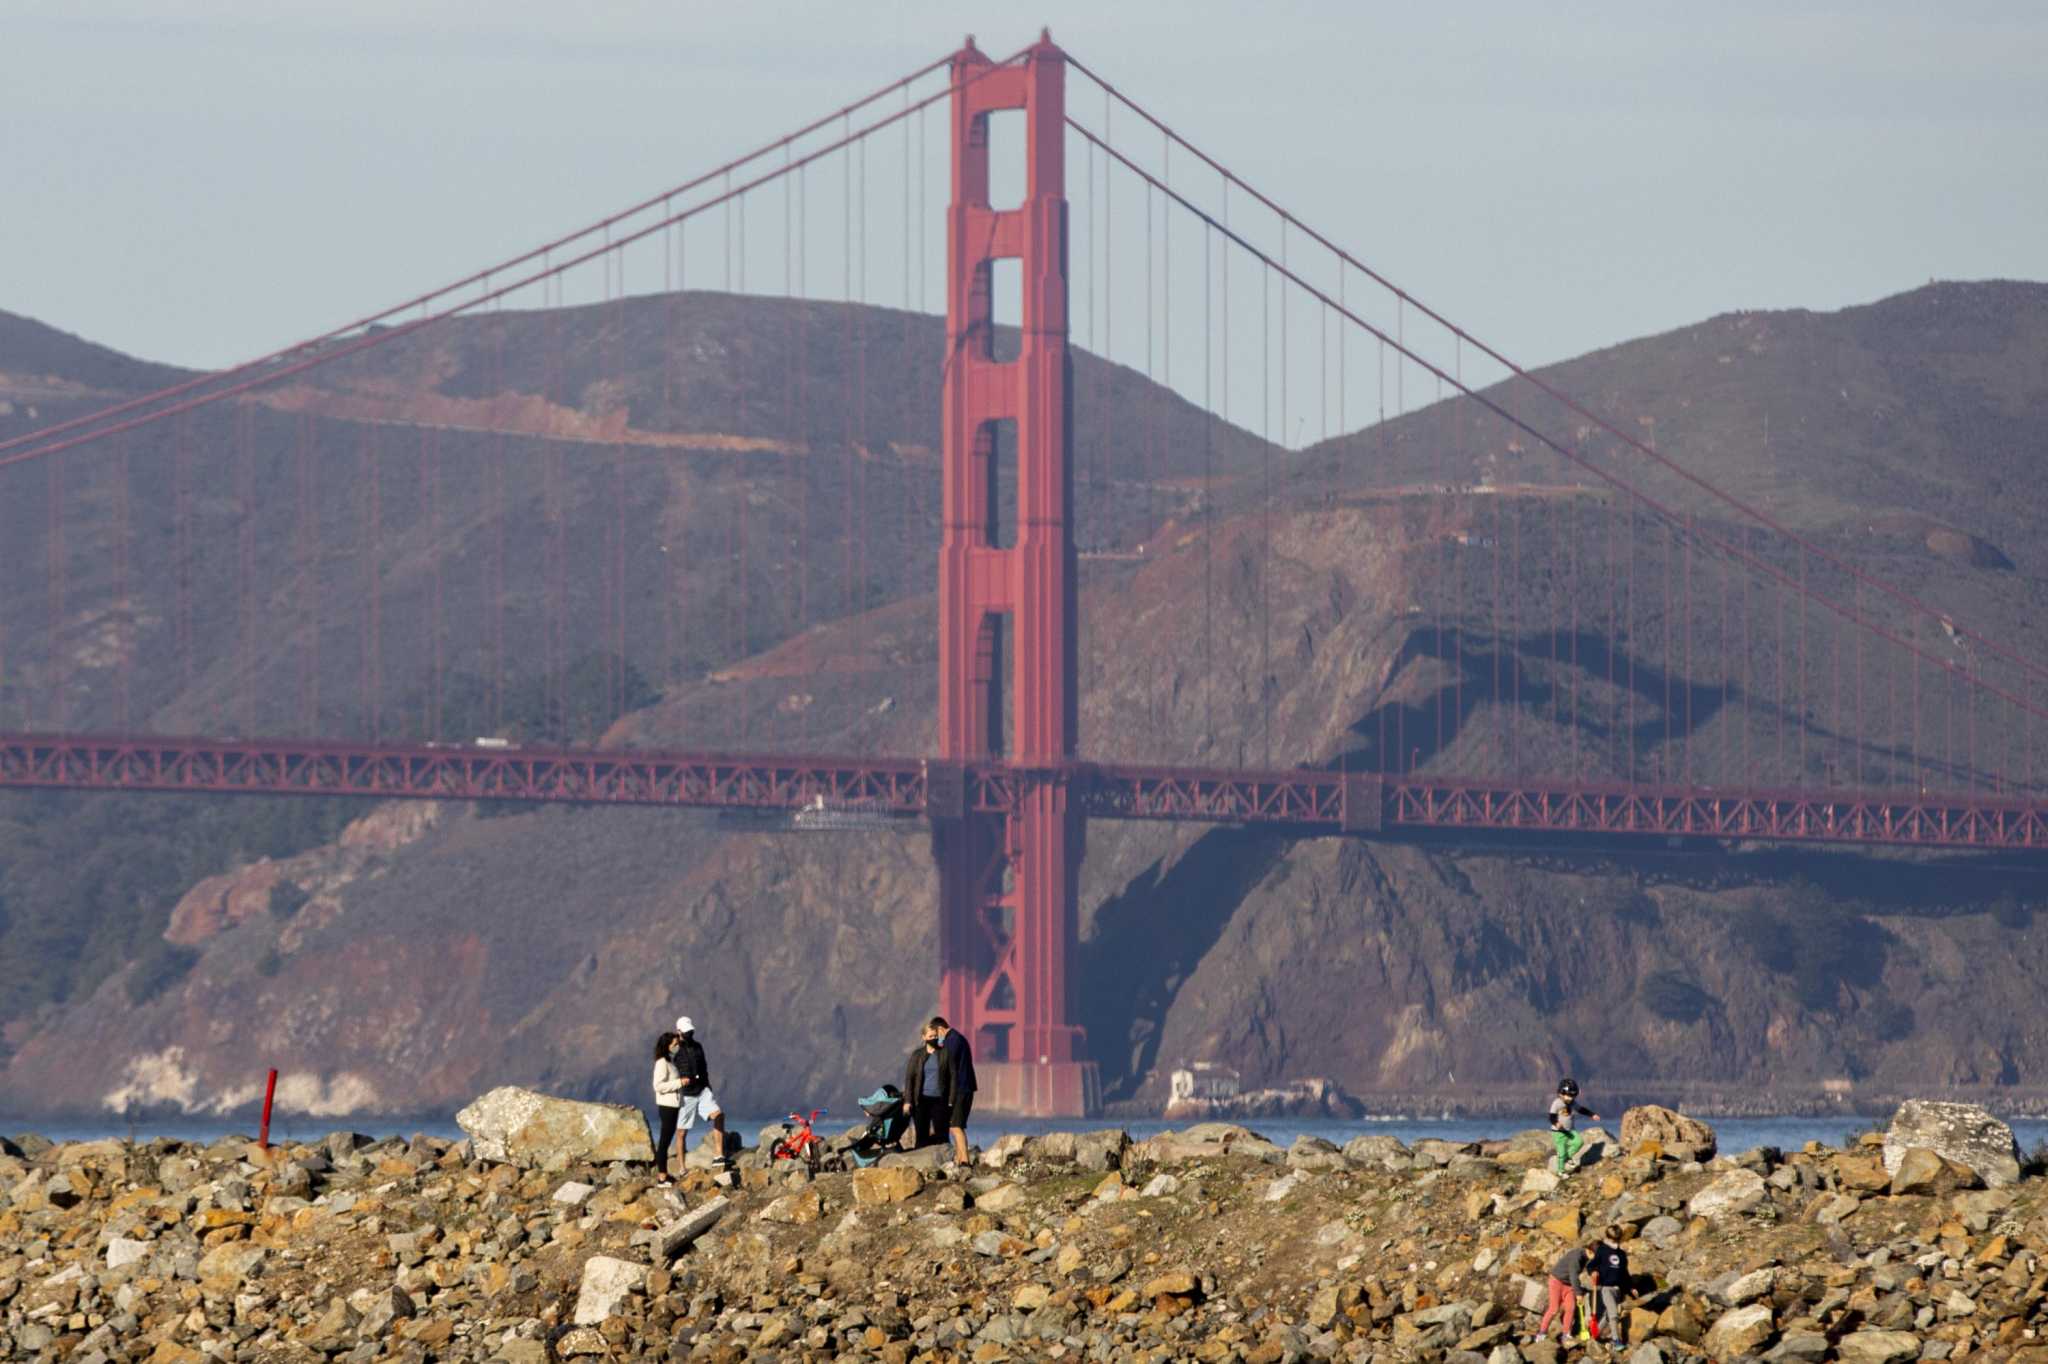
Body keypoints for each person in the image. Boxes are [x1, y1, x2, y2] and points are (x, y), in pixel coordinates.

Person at [672, 1015, 730, 1167]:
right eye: (686, 1032)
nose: (689, 1034)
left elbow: (704, 1068)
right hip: (685, 1094)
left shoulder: (698, 1047)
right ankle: (681, 1168)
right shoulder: (674, 1049)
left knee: (719, 1115)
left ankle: (719, 1155)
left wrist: (708, 1085)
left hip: (702, 1090)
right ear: (679, 1032)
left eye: (690, 1031)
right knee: (681, 1133)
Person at [929, 1015, 977, 1165]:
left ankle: (965, 1161)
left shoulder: (953, 1040)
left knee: (956, 1126)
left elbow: (946, 1063)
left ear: (941, 1029)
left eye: (936, 1035)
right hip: (962, 1088)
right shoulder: (955, 1039)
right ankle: (960, 1158)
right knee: (955, 1126)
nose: (937, 1039)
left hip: (961, 1088)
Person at [901, 1029, 954, 1149]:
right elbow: (909, 1079)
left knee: (942, 1136)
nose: (934, 1038)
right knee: (921, 1137)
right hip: (921, 1101)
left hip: (940, 1101)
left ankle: (946, 1163)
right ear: (924, 1037)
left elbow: (952, 1078)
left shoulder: (944, 1053)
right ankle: (920, 1164)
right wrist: (908, 1101)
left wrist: (951, 1100)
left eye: (936, 1036)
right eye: (931, 1036)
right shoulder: (917, 1055)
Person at [1537, 1240, 1592, 1346]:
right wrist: (1578, 1293)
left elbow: (1587, 1269)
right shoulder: (1576, 1256)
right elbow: (1574, 1276)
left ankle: (1566, 1334)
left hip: (1569, 1285)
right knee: (1554, 1309)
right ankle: (1541, 1334)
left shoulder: (1586, 1257)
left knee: (1571, 1308)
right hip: (1556, 1281)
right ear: (1590, 1251)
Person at [1590, 1224, 1631, 1346]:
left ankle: (1595, 1333)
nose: (1612, 1241)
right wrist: (1593, 1272)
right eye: (1610, 1238)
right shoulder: (1602, 1250)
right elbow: (1591, 1265)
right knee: (1614, 1315)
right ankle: (1616, 1340)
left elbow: (1625, 1273)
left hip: (1618, 1290)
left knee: (1609, 1315)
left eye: (1615, 1239)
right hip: (1606, 1288)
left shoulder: (1622, 1255)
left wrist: (1631, 1287)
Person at [1548, 1077, 1600, 1175]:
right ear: (1560, 1093)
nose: (1570, 1099)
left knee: (1579, 1142)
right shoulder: (1557, 1103)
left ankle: (1567, 1157)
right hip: (1559, 1132)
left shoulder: (1572, 1103)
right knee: (1561, 1151)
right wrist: (1556, 1123)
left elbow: (1580, 1109)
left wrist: (1592, 1114)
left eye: (1572, 1097)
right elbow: (1551, 1116)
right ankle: (1561, 1171)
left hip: (1570, 1130)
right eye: (1568, 1096)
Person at [650, 1031, 683, 1184]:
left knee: (667, 1139)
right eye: (675, 1044)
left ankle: (664, 1173)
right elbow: (658, 1085)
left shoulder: (670, 1061)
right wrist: (679, 1083)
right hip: (667, 1106)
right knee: (664, 1141)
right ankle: (662, 1177)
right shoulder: (662, 1062)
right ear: (667, 1046)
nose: (677, 1046)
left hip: (674, 1104)